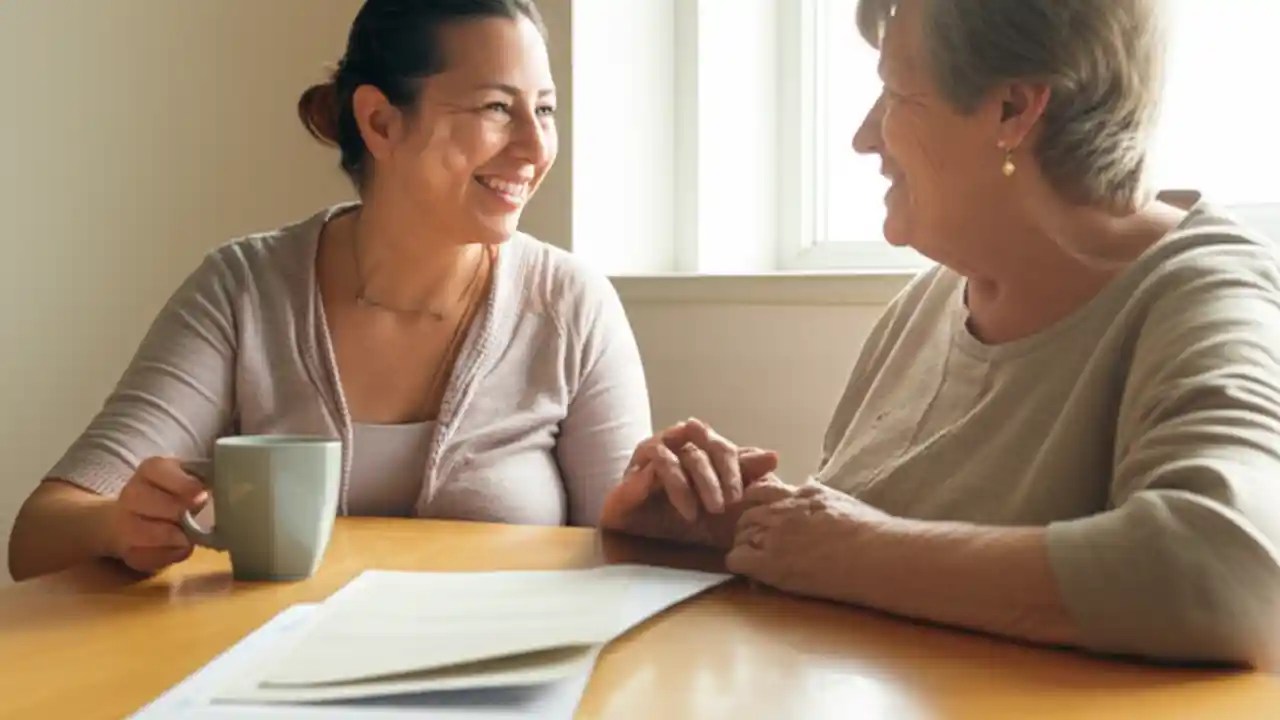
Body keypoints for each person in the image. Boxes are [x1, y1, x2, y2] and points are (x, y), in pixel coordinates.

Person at [603, 0, 1280, 667]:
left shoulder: (1206, 294)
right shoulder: (931, 300)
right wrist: (731, 522)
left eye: (897, 93)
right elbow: (872, 559)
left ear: (1014, 110)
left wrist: (850, 551)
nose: (865, 136)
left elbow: (1231, 569)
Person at [9, 0, 650, 581]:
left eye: (544, 109)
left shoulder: (572, 305)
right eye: (495, 108)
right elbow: (38, 536)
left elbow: (632, 559)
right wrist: (118, 524)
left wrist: (696, 511)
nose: (535, 148)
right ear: (380, 122)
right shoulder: (244, 290)